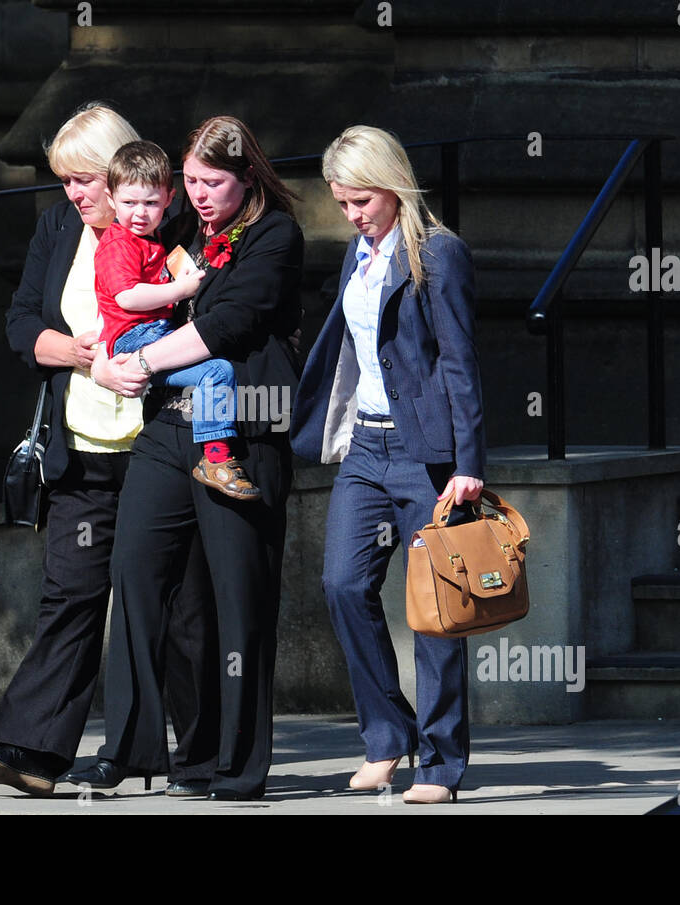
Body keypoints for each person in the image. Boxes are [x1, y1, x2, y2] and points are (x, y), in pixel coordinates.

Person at [0, 103, 217, 796]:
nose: (72, 194)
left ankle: (201, 755)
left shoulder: (168, 231)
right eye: (64, 181)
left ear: (119, 172)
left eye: (81, 179)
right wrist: (84, 358)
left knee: (178, 604)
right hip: (81, 446)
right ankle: (29, 748)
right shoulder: (57, 228)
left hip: (157, 445)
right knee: (69, 595)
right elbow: (20, 324)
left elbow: (202, 320)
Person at [77, 115, 303, 800]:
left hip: (242, 432)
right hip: (168, 429)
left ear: (248, 177)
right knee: (139, 574)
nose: (198, 195)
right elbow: (118, 304)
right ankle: (133, 747)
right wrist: (105, 365)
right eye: (193, 183)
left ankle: (233, 764)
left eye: (214, 183)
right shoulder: (177, 232)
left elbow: (226, 325)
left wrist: (137, 360)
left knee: (236, 599)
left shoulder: (274, 234)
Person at [289, 125, 487, 804]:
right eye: (342, 203)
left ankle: (439, 763)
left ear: (393, 184)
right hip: (364, 449)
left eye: (361, 200)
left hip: (425, 455)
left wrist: (469, 461)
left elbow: (460, 363)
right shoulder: (358, 253)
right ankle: (387, 734)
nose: (352, 214)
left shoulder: (439, 254)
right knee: (343, 582)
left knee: (434, 612)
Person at [95, 140, 260, 501]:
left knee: (210, 372)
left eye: (151, 203)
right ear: (110, 198)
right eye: (129, 203)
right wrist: (180, 290)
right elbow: (127, 296)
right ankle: (216, 458)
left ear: (169, 198)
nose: (140, 213)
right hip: (136, 338)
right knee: (217, 372)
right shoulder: (119, 243)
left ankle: (213, 455)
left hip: (149, 336)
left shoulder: (155, 239)